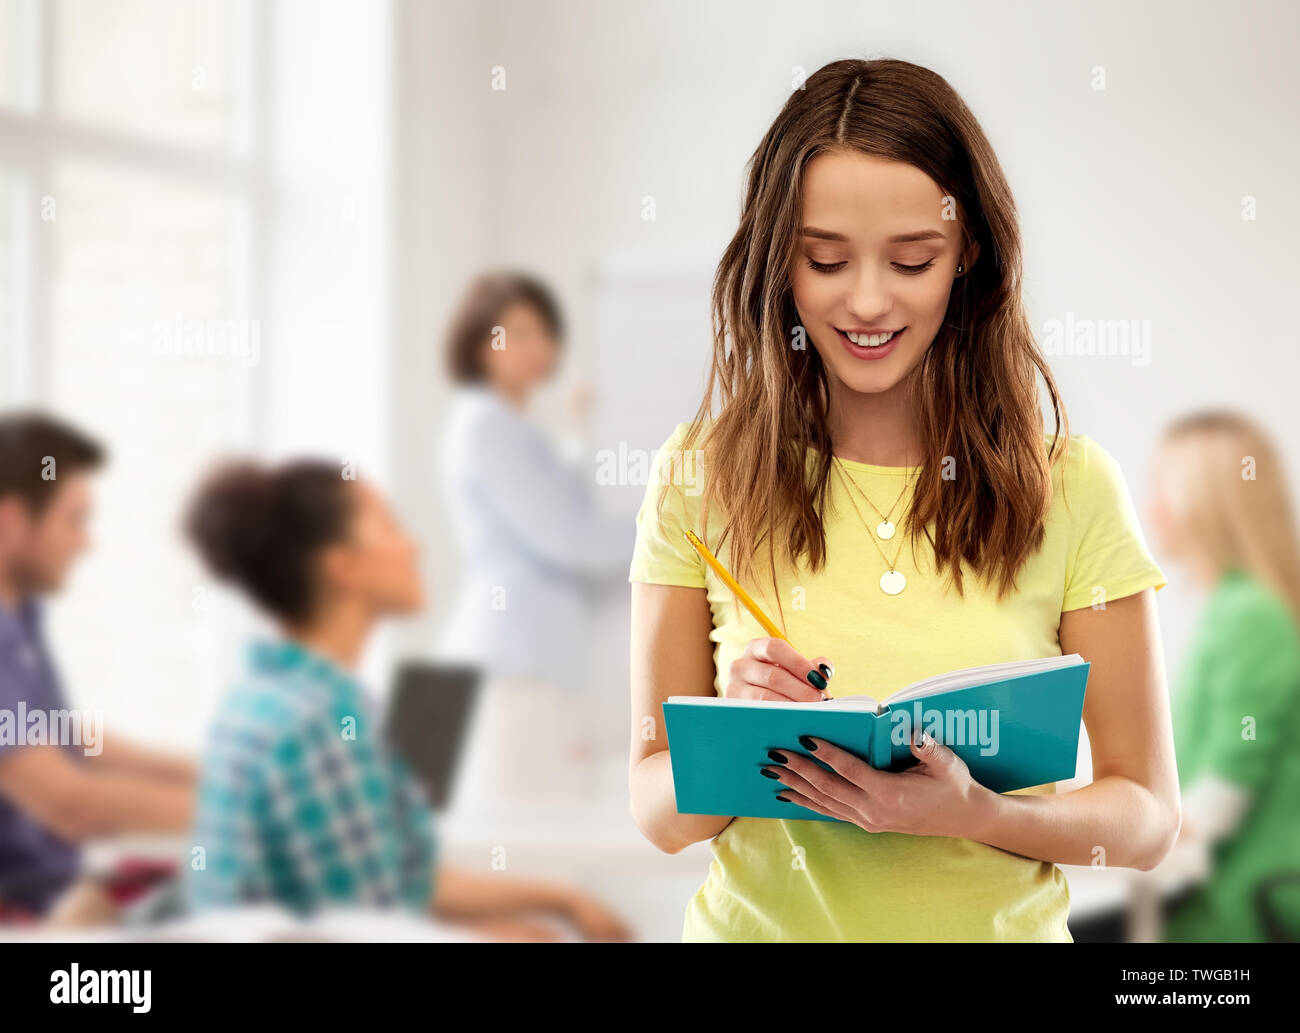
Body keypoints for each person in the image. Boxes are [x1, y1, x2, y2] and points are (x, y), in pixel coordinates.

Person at [628, 57, 1181, 942]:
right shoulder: (702, 474)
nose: (869, 300)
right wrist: (732, 739)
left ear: (968, 253)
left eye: (912, 259)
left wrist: (980, 815)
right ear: (780, 263)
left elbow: (1148, 817)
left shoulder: (1073, 487)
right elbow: (657, 812)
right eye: (826, 259)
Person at [184, 458, 630, 941]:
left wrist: (559, 899)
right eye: (388, 526)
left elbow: (401, 885)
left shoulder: (270, 698)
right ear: (343, 567)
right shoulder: (319, 723)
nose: (413, 544)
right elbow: (370, 928)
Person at [435, 271, 632, 816]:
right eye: (517, 333)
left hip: (522, 664)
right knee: (523, 840)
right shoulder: (486, 426)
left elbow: (556, 513)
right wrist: (679, 529)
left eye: (545, 333)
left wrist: (577, 433)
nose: (537, 347)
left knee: (532, 835)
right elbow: (568, 537)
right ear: (480, 341)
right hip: (509, 666)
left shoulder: (506, 426)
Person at [0, 412, 195, 922]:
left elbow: (67, 738)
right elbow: (70, 805)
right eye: (75, 520)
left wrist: (208, 772)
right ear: (13, 521)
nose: (86, 542)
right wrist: (243, 813)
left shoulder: (20, 620)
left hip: (57, 897)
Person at [1145, 411, 1300, 942]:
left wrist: (1135, 837)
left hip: (1244, 911)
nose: (1152, 509)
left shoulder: (1249, 612)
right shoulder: (1235, 605)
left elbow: (1229, 780)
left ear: (1206, 505)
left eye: (1164, 488)